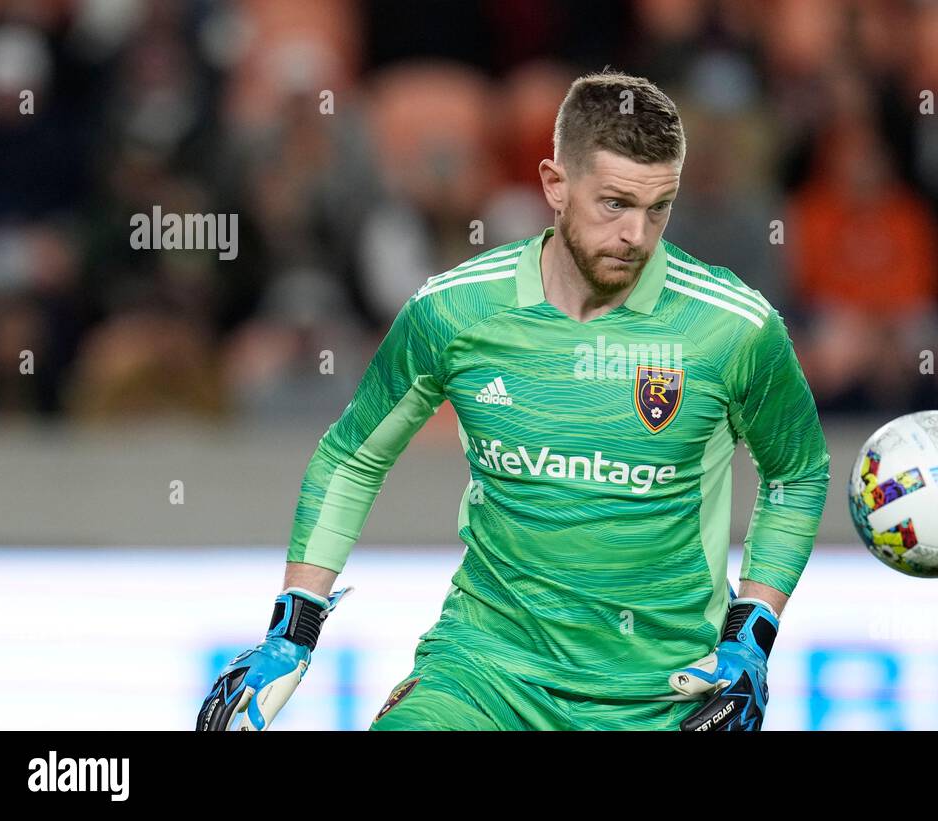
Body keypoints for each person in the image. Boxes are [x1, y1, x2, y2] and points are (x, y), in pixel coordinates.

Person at [197, 71, 830, 731]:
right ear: (555, 184)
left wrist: (750, 634)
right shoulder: (456, 311)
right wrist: (291, 631)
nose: (637, 236)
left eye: (658, 207)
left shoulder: (733, 327)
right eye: (614, 203)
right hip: (482, 678)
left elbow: (798, 471)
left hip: (660, 695)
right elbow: (352, 455)